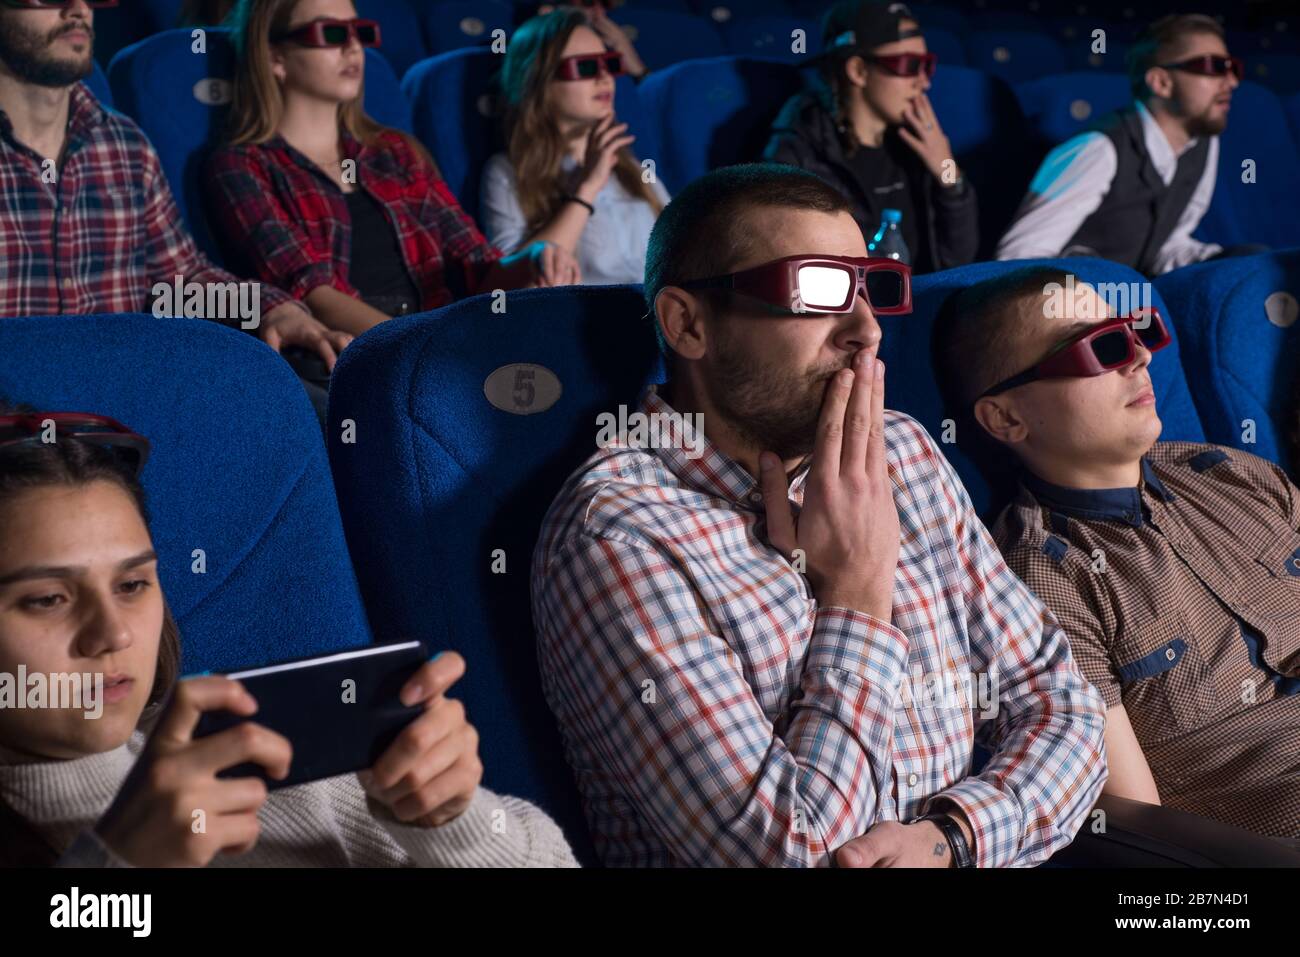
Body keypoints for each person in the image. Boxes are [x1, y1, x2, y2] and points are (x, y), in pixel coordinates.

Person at [530, 163, 1107, 868]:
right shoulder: (619, 534)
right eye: (819, 288)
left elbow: (1062, 705)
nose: (867, 331)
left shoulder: (901, 448)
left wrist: (951, 838)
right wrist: (857, 593)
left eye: (871, 288)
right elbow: (790, 856)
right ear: (688, 323)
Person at [0, 407, 579, 867]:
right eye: (46, 599)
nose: (115, 632)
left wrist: (454, 825)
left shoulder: (280, 762)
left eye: (131, 584)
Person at [933, 266, 1300, 845]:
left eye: (1136, 332)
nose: (1139, 359)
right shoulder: (1037, 583)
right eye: (1099, 348)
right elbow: (1141, 836)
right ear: (1005, 417)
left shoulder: (1234, 473)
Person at [0, 0, 347, 371]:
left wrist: (271, 310)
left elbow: (181, 283)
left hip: (121, 402)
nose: (77, 9)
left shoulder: (123, 143)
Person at [206, 0, 582, 339]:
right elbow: (312, 292)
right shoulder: (243, 165)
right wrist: (419, 349)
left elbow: (476, 265)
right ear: (275, 57)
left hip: (438, 340)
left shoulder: (397, 153)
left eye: (360, 32)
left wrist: (529, 263)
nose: (354, 47)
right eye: (331, 33)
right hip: (352, 355)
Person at [996, 14, 1266, 276]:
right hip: (1079, 310)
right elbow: (1016, 259)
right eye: (1214, 67)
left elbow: (1167, 245)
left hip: (1131, 305)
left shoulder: (1204, 144)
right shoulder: (1098, 150)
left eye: (1234, 68)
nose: (1232, 81)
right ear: (1160, 82)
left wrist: (1222, 262)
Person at [763, 0, 977, 274]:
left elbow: (958, 262)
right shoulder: (798, 147)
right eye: (909, 65)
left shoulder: (920, 143)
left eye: (927, 65)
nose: (924, 82)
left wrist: (947, 171)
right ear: (858, 71)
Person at [480, 8, 668, 286]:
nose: (605, 77)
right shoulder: (506, 172)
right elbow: (508, 286)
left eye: (610, 63)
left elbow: (684, 243)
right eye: (586, 66)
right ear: (538, 81)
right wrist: (587, 188)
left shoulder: (633, 168)